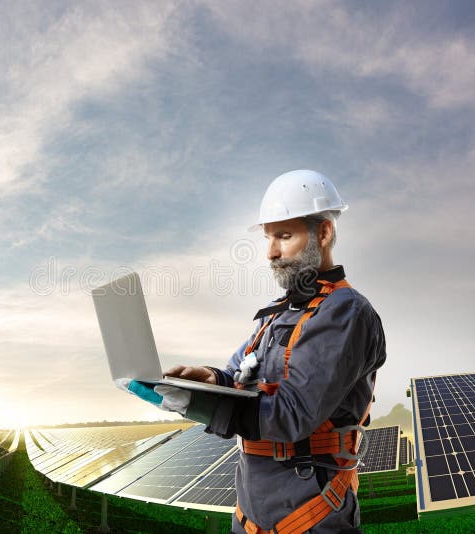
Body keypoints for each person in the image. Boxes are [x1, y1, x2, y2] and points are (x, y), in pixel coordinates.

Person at [117, 170, 386, 533]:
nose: (271, 252)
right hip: (249, 517)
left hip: (313, 516)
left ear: (323, 233)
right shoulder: (276, 315)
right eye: (268, 238)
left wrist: (197, 403)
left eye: (284, 236)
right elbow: (239, 375)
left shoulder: (345, 313)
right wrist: (212, 379)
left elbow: (292, 415)